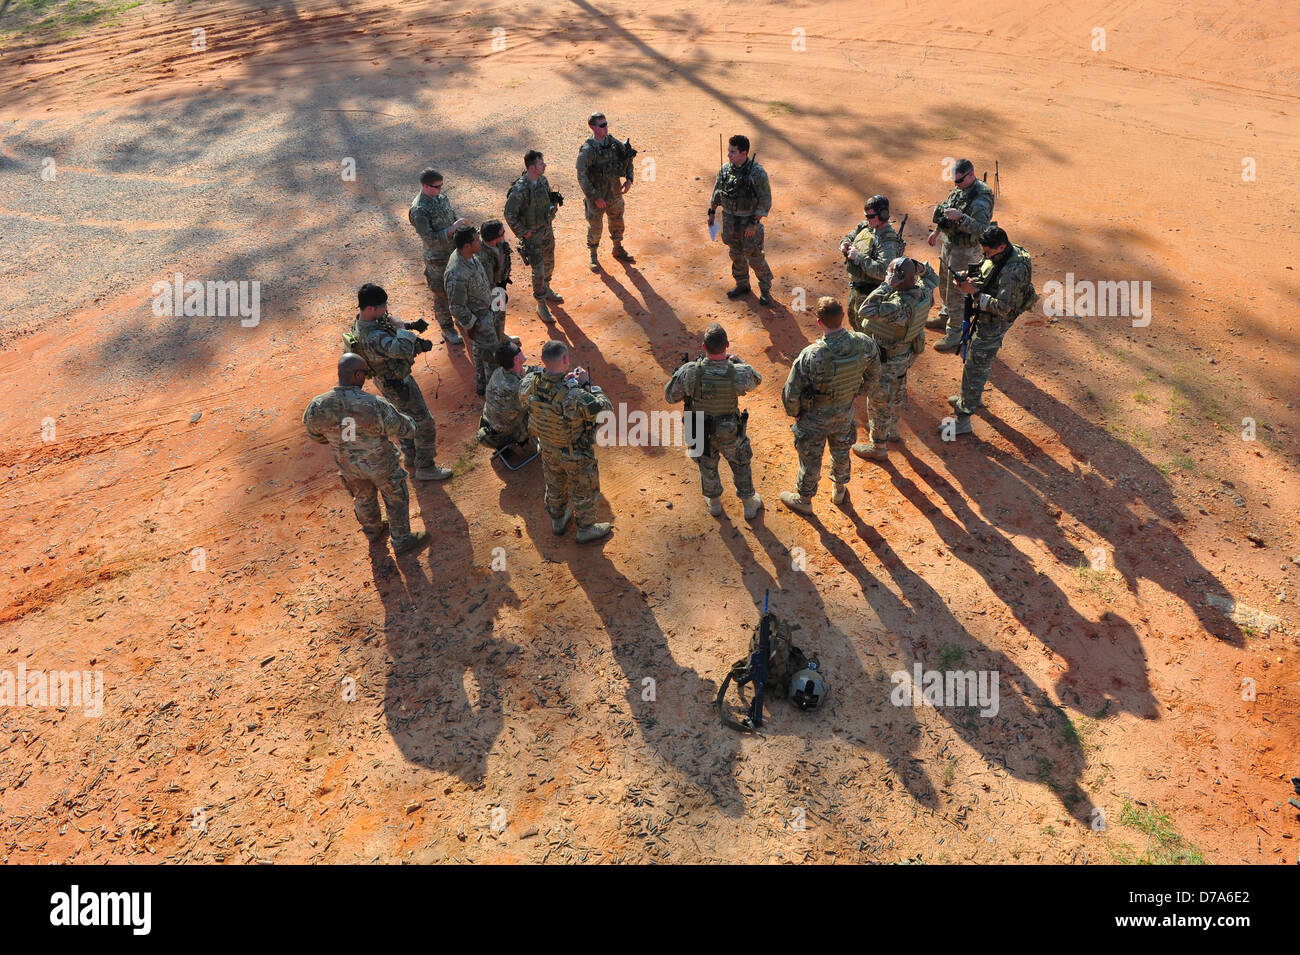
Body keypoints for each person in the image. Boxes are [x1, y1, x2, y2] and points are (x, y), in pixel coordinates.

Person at [303, 353, 431, 555]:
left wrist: (341, 440)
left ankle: (372, 531)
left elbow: (315, 435)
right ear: (356, 375)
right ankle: (401, 539)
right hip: (382, 465)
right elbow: (405, 429)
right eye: (364, 373)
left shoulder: (318, 405)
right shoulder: (374, 404)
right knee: (395, 498)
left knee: (362, 497)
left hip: (348, 466)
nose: (365, 378)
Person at [779, 297, 880, 513]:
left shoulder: (811, 355)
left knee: (811, 459)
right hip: (844, 412)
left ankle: (804, 499)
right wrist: (856, 393)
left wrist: (795, 413)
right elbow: (874, 375)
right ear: (843, 316)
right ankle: (839, 489)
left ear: (818, 321)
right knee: (841, 450)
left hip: (814, 418)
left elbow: (791, 393)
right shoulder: (864, 343)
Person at [343, 283, 452, 481]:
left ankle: (410, 457)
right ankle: (426, 467)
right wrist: (402, 328)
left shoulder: (360, 324)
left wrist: (409, 326)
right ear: (370, 308)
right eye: (382, 306)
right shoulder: (372, 337)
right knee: (424, 422)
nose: (386, 309)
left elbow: (386, 333)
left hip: (384, 380)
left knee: (403, 420)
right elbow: (400, 349)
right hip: (398, 383)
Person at [664, 322, 764, 520]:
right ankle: (749, 505)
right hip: (730, 431)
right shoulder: (737, 372)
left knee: (707, 466)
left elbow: (670, 396)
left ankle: (715, 503)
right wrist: (737, 360)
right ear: (727, 345)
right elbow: (756, 379)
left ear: (703, 347)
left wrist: (681, 372)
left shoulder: (690, 371)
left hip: (700, 429)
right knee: (740, 464)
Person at [944, 226, 1037, 436]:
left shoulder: (1013, 271)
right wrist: (970, 275)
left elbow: (1004, 307)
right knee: (976, 361)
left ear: (1001, 246)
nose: (985, 255)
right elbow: (990, 268)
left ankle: (964, 417)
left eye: (988, 252)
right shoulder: (1004, 253)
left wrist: (974, 292)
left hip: (995, 321)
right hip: (988, 316)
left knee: (975, 365)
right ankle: (970, 398)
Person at [519, 341, 613, 543]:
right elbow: (605, 412)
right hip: (574, 453)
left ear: (543, 360)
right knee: (583, 489)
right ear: (565, 359)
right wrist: (587, 385)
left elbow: (524, 399)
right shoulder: (574, 395)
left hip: (546, 447)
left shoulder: (529, 383)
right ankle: (585, 529)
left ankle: (558, 520)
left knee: (554, 484)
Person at [852, 256, 939, 462]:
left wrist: (885, 285)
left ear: (897, 279)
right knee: (898, 389)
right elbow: (932, 277)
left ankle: (878, 447)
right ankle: (892, 430)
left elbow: (865, 310)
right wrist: (920, 268)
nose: (887, 275)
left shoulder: (897, 307)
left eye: (890, 273)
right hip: (906, 354)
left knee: (879, 401)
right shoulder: (924, 293)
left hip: (886, 360)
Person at [926, 158, 995, 351]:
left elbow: (982, 228)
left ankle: (954, 334)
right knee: (944, 283)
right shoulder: (962, 187)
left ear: (971, 175)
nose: (956, 185)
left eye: (959, 181)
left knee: (956, 291)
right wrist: (937, 231)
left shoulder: (982, 197)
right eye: (954, 181)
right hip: (949, 245)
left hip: (965, 251)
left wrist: (962, 217)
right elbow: (948, 211)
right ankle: (945, 317)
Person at [707, 134, 774, 305]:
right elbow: (717, 192)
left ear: (744, 153)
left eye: (732, 152)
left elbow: (765, 201)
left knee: (755, 257)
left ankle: (765, 289)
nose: (728, 155)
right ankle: (742, 284)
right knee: (735, 254)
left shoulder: (757, 173)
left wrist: (754, 223)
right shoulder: (725, 170)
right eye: (728, 151)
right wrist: (712, 212)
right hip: (730, 222)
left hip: (748, 224)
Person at [408, 168, 470, 345]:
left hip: (453, 253)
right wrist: (451, 230)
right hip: (437, 259)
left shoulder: (440, 197)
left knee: (458, 288)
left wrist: (459, 224)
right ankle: (447, 329)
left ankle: (460, 319)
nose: (440, 189)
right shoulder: (419, 210)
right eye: (436, 187)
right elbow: (429, 240)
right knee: (441, 295)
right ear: (425, 186)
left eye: (441, 185)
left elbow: (451, 215)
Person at [504, 150, 562, 324]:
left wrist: (552, 209)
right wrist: (523, 232)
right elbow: (509, 213)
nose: (544, 165)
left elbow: (549, 199)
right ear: (531, 167)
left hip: (546, 230)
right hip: (532, 237)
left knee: (549, 263)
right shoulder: (520, 189)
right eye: (540, 163)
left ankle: (547, 287)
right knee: (538, 270)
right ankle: (541, 303)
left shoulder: (543, 180)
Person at [576, 111, 636, 271]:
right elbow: (581, 176)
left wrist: (629, 179)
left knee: (617, 221)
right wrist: (595, 197)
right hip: (597, 196)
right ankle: (593, 256)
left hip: (615, 193)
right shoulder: (588, 150)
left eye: (606, 124)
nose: (605, 127)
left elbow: (628, 156)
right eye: (602, 125)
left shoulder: (613, 143)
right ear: (592, 127)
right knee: (595, 227)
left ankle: (618, 248)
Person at [444, 226, 498, 396]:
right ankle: (493, 392)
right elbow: (456, 306)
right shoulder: (456, 272)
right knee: (490, 357)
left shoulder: (469, 257)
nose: (479, 241)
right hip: (480, 320)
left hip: (485, 313)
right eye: (476, 239)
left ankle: (482, 385)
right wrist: (475, 324)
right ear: (467, 246)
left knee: (480, 352)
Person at [839, 194, 904, 328]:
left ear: (883, 215)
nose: (867, 219)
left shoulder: (888, 241)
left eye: (870, 216)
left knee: (864, 328)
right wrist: (844, 243)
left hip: (869, 294)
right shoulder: (866, 226)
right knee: (854, 321)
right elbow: (849, 236)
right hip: (856, 288)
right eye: (866, 216)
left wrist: (859, 257)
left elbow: (884, 272)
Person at [478, 338, 539, 450]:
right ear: (516, 359)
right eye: (518, 349)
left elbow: (526, 371)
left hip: (492, 424)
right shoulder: (518, 388)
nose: (521, 349)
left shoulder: (498, 372)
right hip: (509, 433)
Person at [474, 218, 512, 341]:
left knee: (499, 310)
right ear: (493, 238)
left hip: (497, 281)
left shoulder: (495, 241)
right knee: (496, 312)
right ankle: (498, 340)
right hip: (488, 288)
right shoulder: (483, 257)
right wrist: (497, 295)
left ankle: (500, 334)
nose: (504, 233)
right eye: (502, 233)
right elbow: (487, 284)